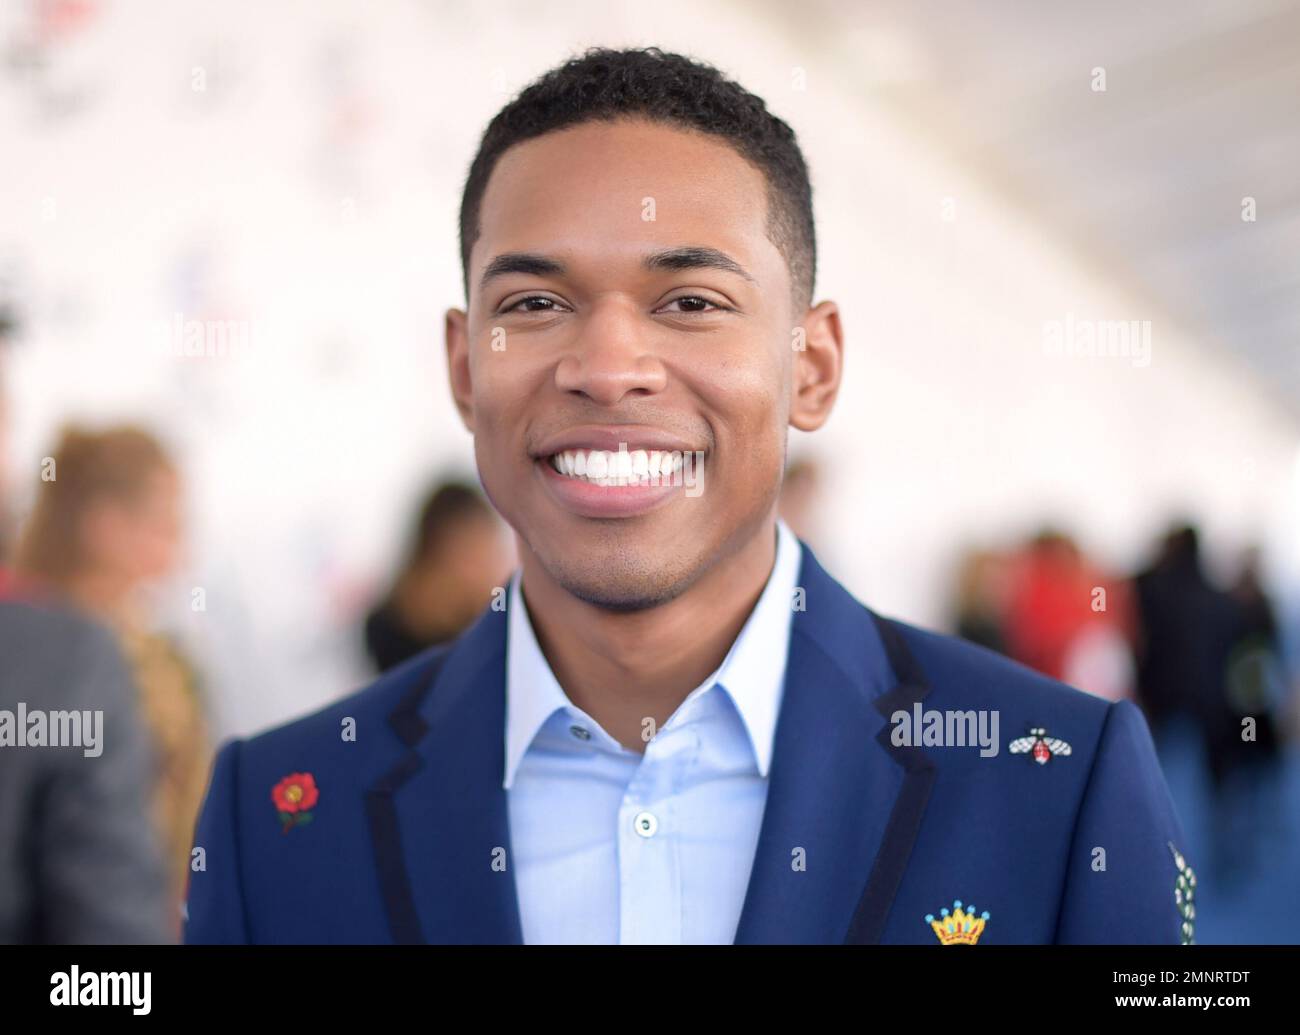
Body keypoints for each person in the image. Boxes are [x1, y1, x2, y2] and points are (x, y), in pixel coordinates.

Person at [186, 47, 1193, 945]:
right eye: (534, 303)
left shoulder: (1053, 780)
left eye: (691, 303)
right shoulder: (276, 815)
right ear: (463, 369)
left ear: (811, 366)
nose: (608, 365)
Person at [15, 424, 211, 933]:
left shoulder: (166, 661)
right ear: (104, 525)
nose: (180, 549)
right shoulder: (56, 658)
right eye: (165, 525)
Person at [363, 479, 510, 673]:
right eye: (472, 550)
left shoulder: (491, 616)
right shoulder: (387, 626)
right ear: (439, 548)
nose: (485, 563)